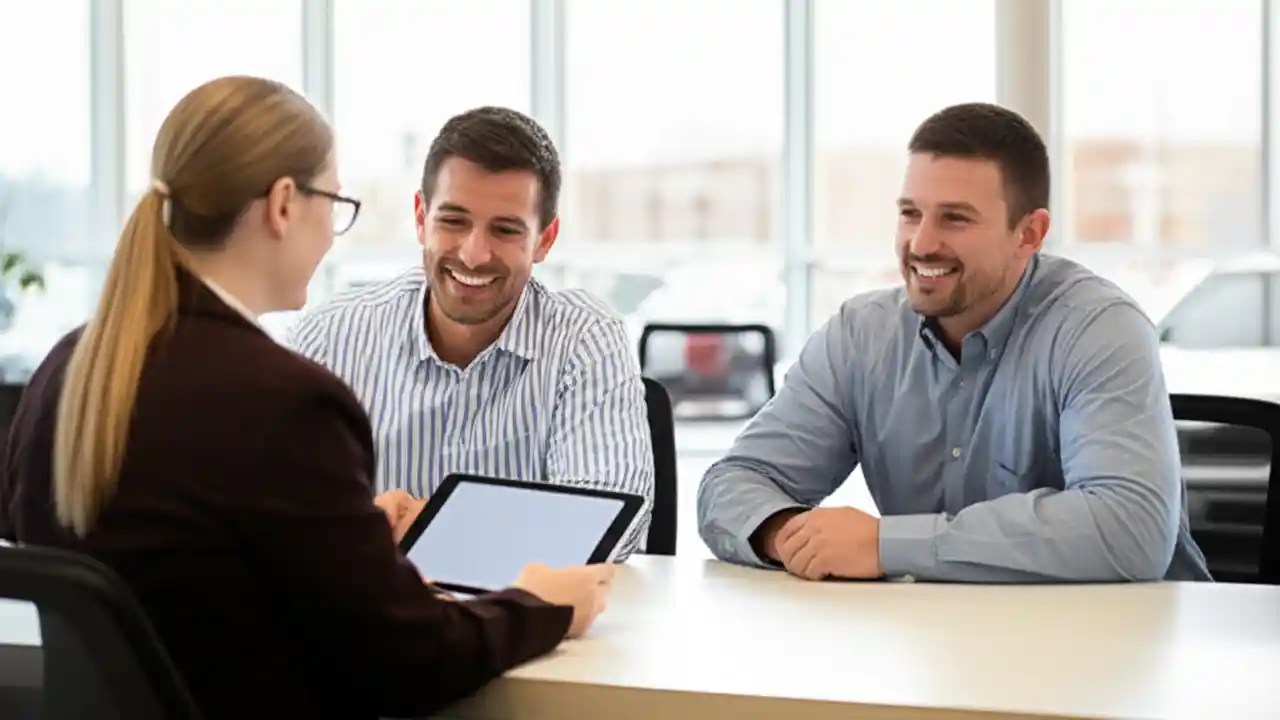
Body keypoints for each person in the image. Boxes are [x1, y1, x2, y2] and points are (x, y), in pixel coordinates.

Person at [0, 76, 615, 719]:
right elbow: (407, 662)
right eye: (335, 202)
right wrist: (537, 605)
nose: (331, 232)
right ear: (284, 204)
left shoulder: (71, 366)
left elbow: (177, 559)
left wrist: (340, 536)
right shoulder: (286, 401)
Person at [697, 102, 1211, 583]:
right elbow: (732, 484)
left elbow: (1130, 528)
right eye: (910, 214)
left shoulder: (1098, 329)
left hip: (1126, 653)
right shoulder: (861, 336)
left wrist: (884, 545)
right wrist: (790, 536)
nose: (921, 244)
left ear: (1029, 235)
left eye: (955, 218)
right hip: (946, 649)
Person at [288, 106, 654, 557]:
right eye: (453, 221)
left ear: (545, 239)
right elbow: (285, 516)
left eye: (505, 230)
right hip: (371, 619)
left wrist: (424, 525)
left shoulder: (584, 340)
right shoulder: (330, 339)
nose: (474, 254)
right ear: (421, 218)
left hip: (536, 622)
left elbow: (609, 519)